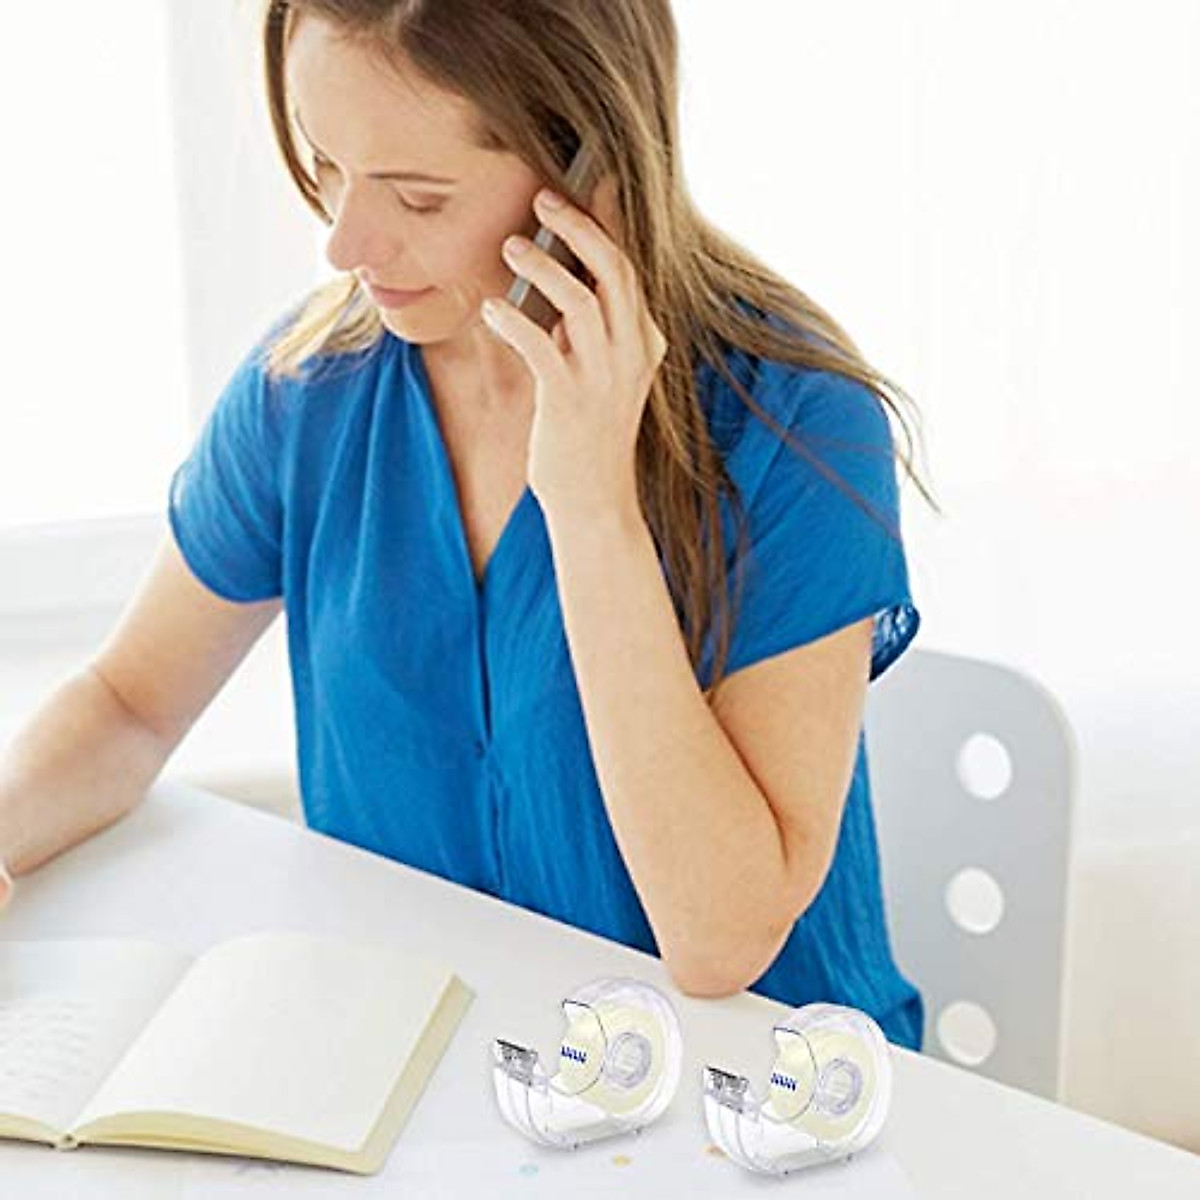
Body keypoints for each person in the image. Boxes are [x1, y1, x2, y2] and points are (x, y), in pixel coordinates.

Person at [0, 0, 938, 1050]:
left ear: (590, 175)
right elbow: (130, 704)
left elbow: (719, 939)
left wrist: (590, 505)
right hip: (423, 1073)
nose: (343, 244)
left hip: (755, 1089)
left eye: (419, 196)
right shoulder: (308, 392)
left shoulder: (794, 425)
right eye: (326, 165)